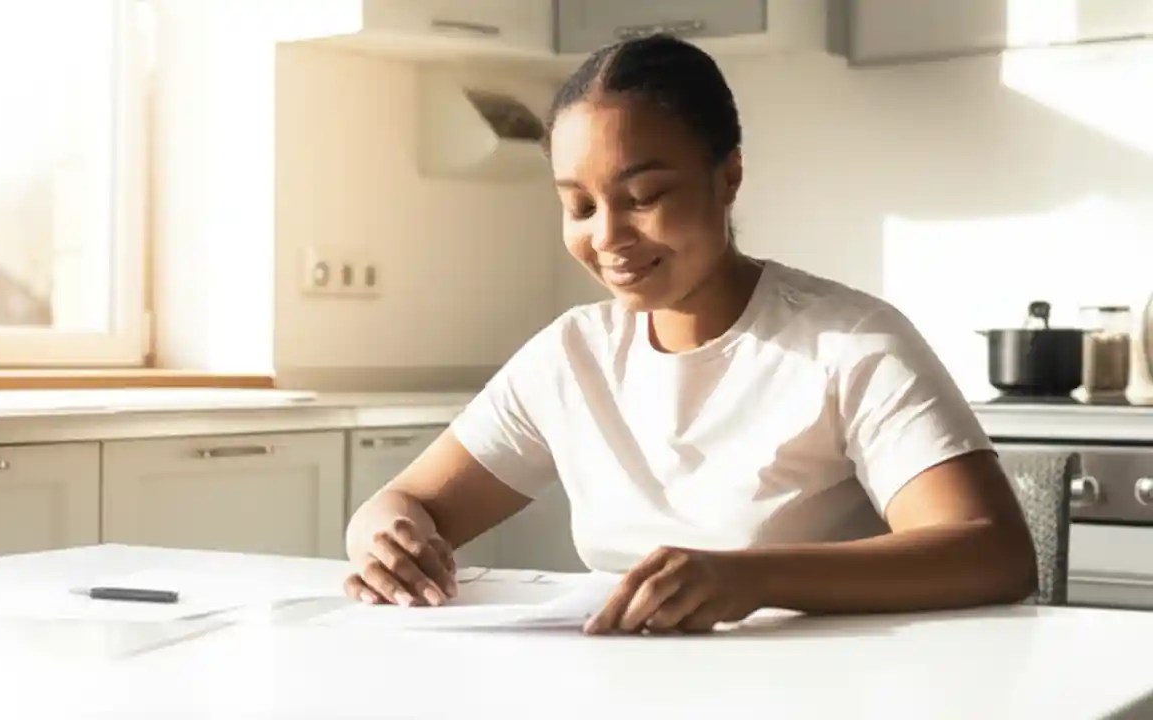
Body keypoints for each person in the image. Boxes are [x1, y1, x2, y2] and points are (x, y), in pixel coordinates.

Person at [343, 34, 1037, 635]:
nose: (608, 236)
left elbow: (991, 552)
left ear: (728, 175)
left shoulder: (848, 342)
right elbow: (408, 503)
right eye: (579, 206)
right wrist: (383, 537)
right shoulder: (572, 354)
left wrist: (752, 581)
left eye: (643, 197)